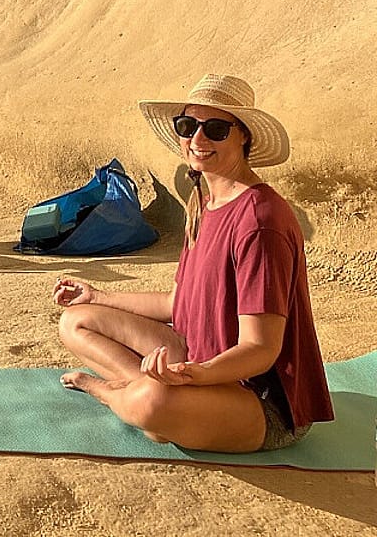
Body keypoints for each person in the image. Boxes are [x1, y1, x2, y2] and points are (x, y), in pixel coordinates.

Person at [52, 73, 333, 452]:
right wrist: (98, 295)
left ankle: (114, 394)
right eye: (187, 126)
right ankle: (150, 398)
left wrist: (192, 376)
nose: (197, 141)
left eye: (216, 129)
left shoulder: (260, 221)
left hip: (262, 401)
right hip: (202, 358)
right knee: (77, 320)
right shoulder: (204, 203)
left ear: (243, 136)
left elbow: (261, 349)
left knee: (154, 404)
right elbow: (176, 304)